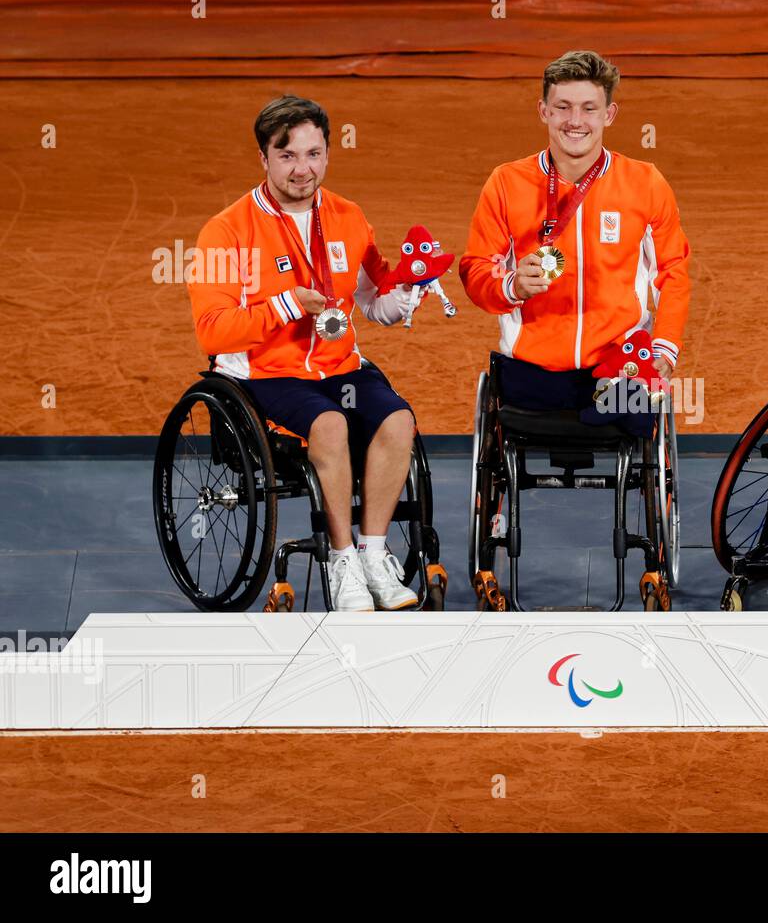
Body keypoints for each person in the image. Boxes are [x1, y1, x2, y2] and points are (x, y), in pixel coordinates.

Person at [188, 95, 432, 612]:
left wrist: (406, 293)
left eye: (315, 154)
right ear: (264, 159)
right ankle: (340, 560)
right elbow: (212, 333)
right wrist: (283, 304)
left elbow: (372, 301)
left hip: (339, 367)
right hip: (266, 374)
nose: (304, 169)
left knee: (398, 421)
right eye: (288, 156)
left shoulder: (348, 215)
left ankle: (372, 553)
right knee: (329, 425)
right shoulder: (225, 231)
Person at [459, 50, 690, 435]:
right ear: (543, 111)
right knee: (628, 405)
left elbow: (672, 272)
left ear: (609, 114)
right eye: (563, 107)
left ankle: (624, 397)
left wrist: (664, 346)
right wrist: (511, 285)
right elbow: (476, 270)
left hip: (619, 367)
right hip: (532, 374)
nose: (575, 121)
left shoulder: (644, 182)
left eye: (588, 108)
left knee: (637, 402)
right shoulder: (506, 182)